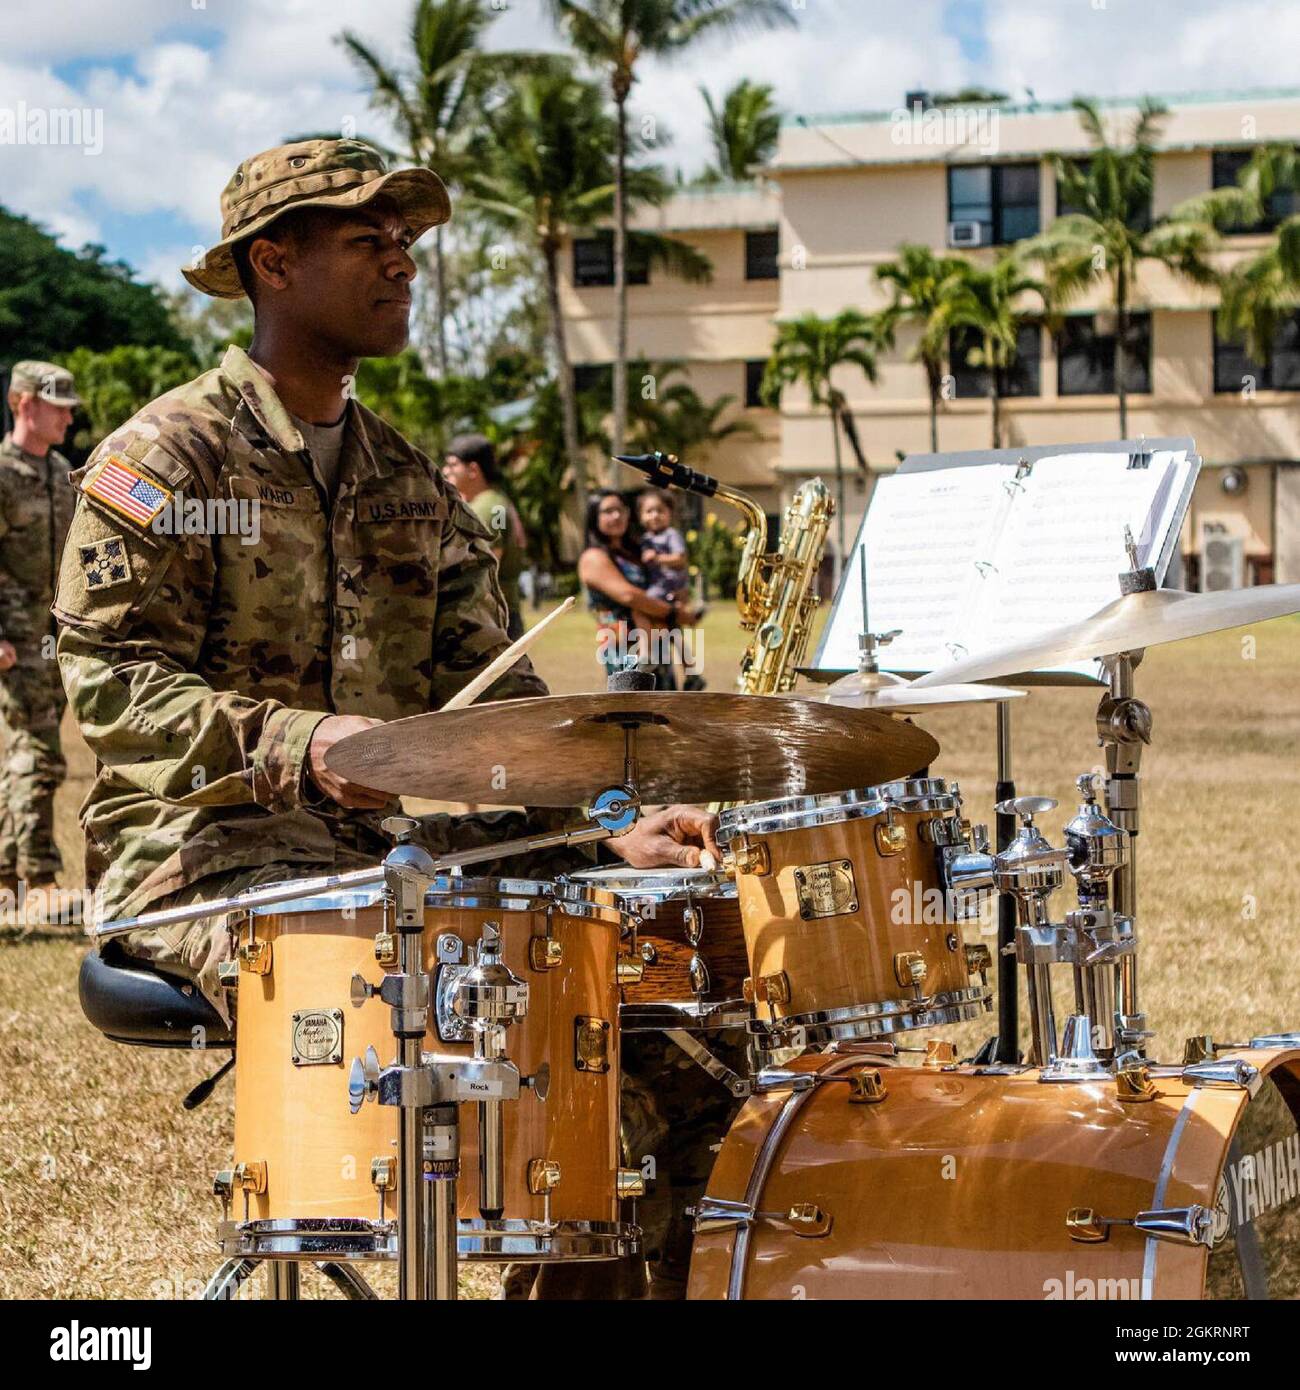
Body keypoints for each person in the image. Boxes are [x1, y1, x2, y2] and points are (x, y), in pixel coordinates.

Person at [52, 139, 717, 1027]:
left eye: (404, 238)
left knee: (662, 951)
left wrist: (604, 820)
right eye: (368, 240)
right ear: (274, 261)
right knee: (388, 985)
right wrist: (306, 742)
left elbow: (495, 702)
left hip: (374, 845)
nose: (403, 261)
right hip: (200, 849)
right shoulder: (171, 459)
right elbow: (110, 681)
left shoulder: (405, 481)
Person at [0, 361, 80, 923]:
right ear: (24, 403)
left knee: (23, 758)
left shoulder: (60, 472)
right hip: (15, 637)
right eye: (59, 404)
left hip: (56, 640)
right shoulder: (1, 474)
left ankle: (5, 879)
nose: (70, 415)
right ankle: (41, 879)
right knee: (41, 754)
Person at [578, 489, 681, 689]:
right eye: (608, 511)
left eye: (620, 510)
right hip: (624, 649)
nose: (616, 515)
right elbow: (629, 596)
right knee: (633, 714)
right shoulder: (593, 557)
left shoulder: (636, 551)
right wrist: (673, 612)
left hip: (657, 644)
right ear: (594, 518)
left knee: (664, 713)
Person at [442, 433, 527, 639]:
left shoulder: (487, 507)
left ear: (473, 469)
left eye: (453, 465)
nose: (445, 471)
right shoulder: (494, 501)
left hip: (491, 619)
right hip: (499, 613)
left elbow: (485, 564)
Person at [636, 487, 706, 691]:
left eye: (660, 510)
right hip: (660, 588)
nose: (655, 515)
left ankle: (645, 653)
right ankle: (692, 674)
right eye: (649, 511)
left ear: (669, 514)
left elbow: (681, 558)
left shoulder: (670, 534)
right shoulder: (645, 539)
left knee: (641, 607)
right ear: (641, 516)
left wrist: (657, 558)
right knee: (674, 633)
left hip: (667, 588)